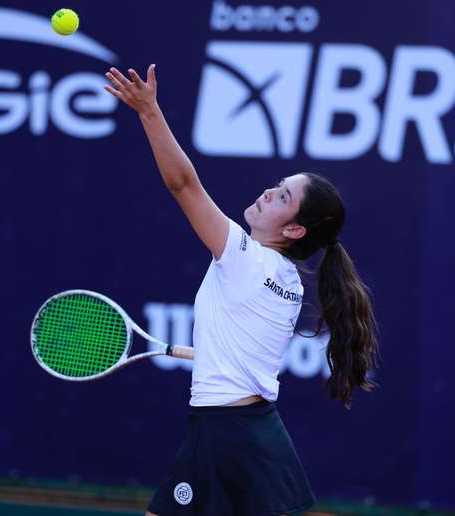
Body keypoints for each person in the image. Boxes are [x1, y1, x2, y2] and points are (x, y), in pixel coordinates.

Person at [104, 64, 378, 516]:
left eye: (284, 197)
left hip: (227, 433)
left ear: (293, 230)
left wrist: (149, 112)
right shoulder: (287, 278)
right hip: (249, 429)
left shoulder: (246, 258)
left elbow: (183, 184)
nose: (270, 193)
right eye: (278, 185)